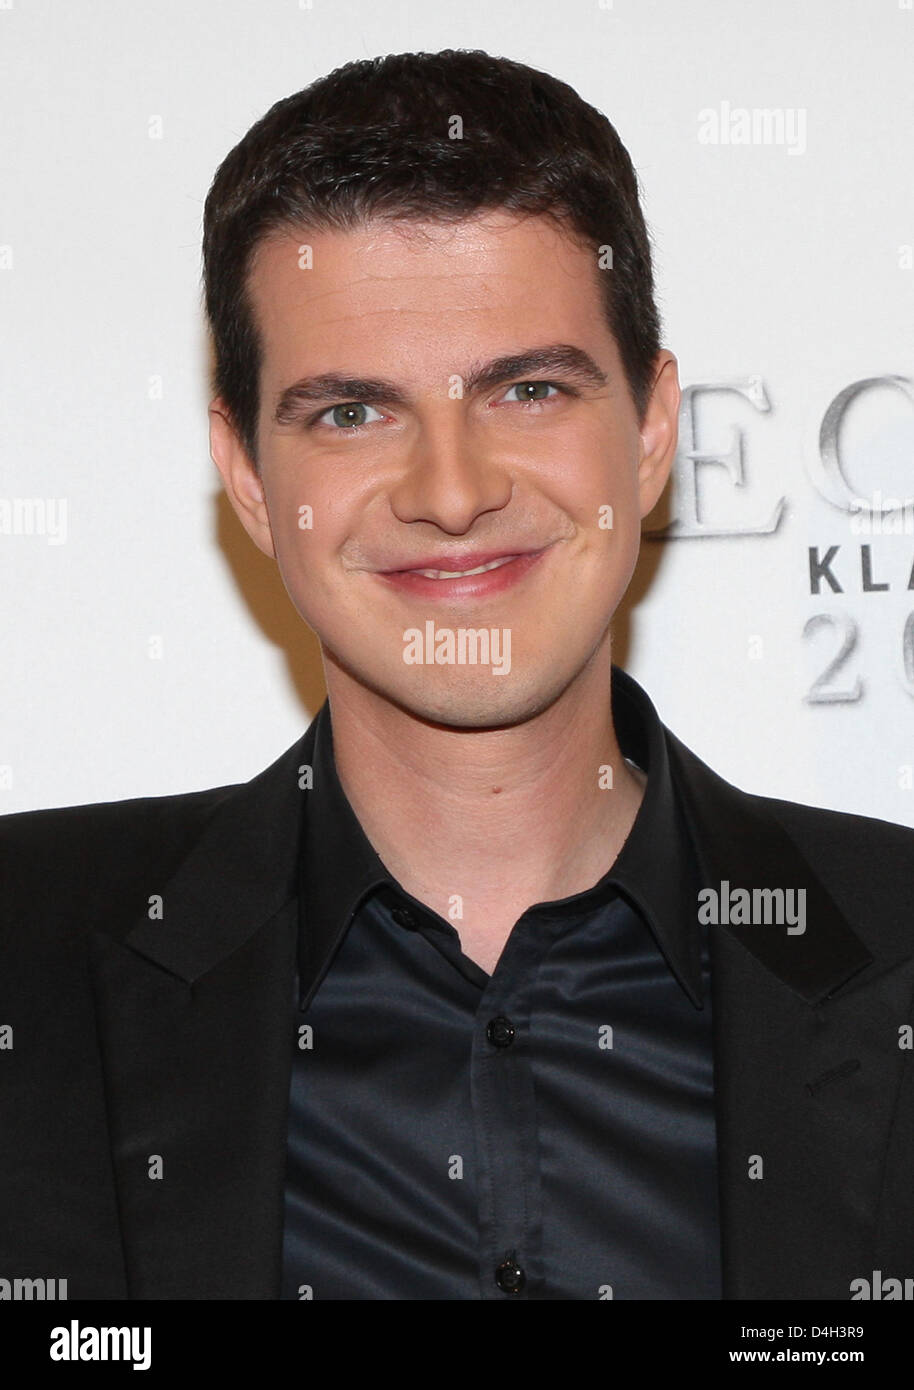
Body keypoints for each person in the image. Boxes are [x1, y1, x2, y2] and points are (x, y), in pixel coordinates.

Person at [2, 49, 912, 1303]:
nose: (452, 490)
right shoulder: (27, 959)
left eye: (527, 388)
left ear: (650, 433)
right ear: (250, 477)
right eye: (350, 413)